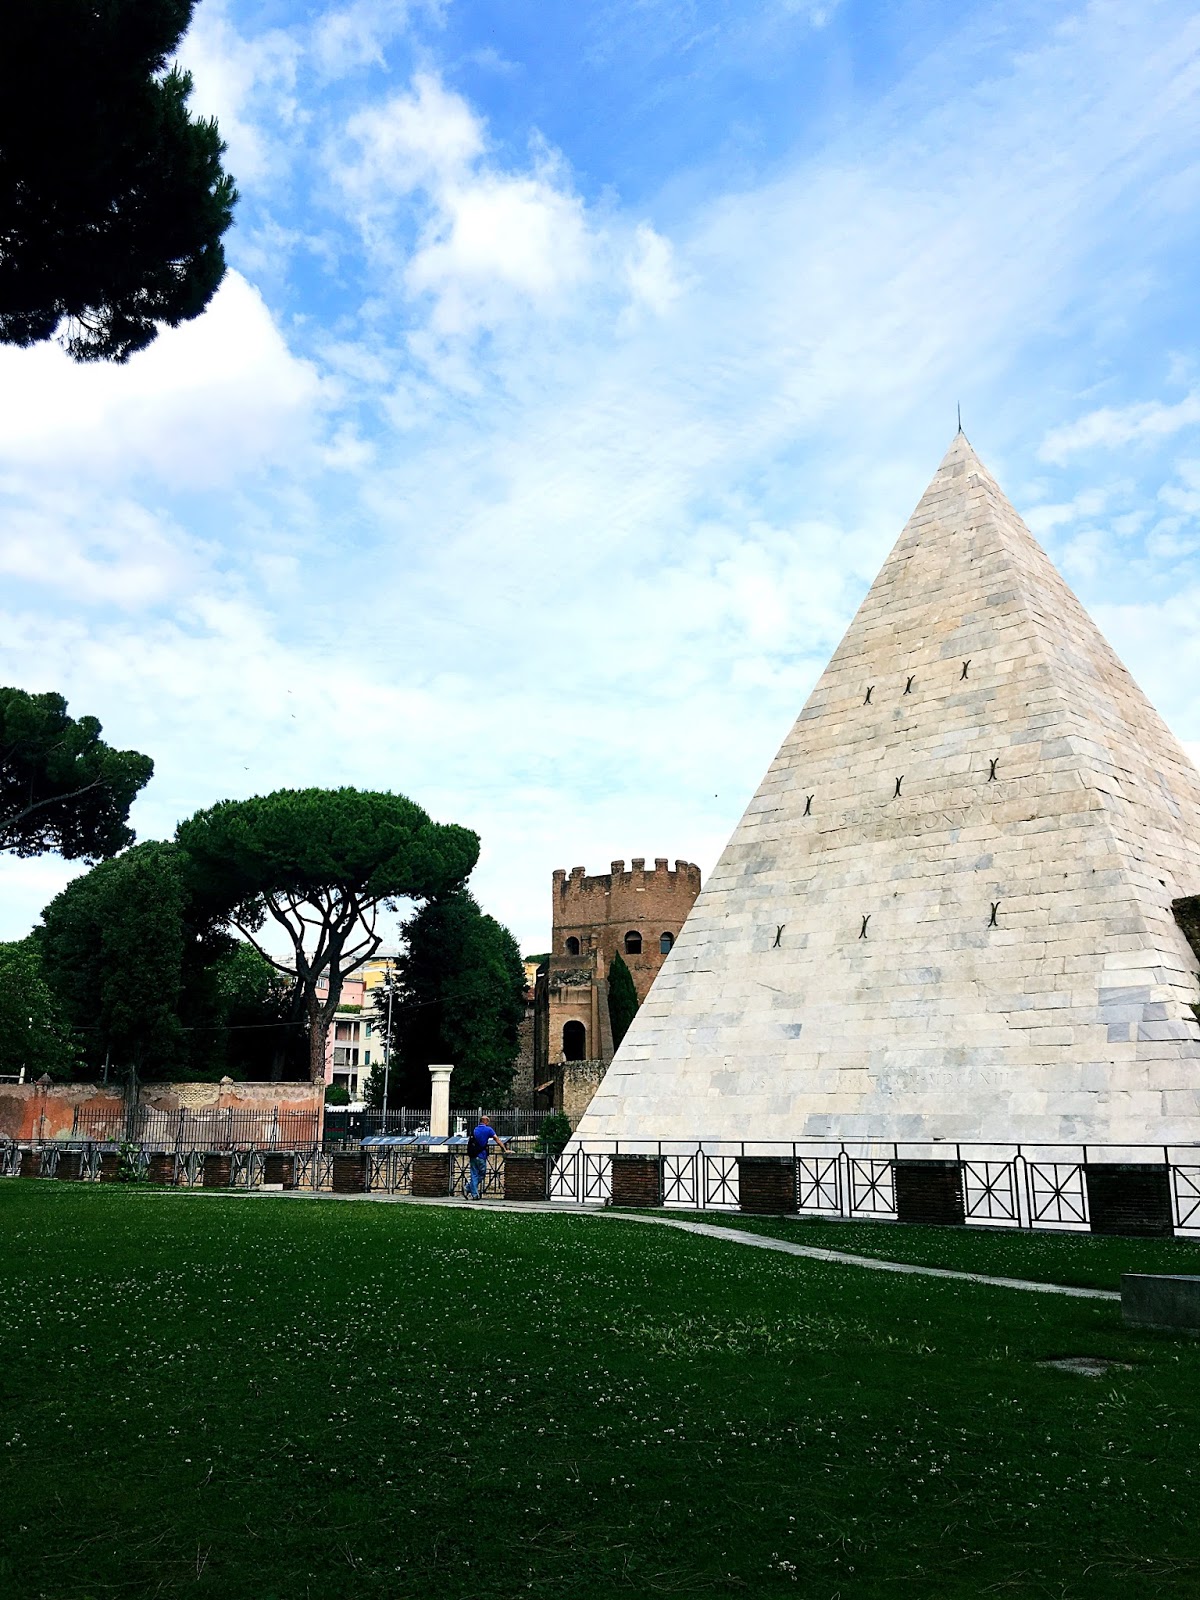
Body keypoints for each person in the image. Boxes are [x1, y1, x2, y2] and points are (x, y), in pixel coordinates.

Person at [465, 1115, 506, 1199]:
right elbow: (497, 1140)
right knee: (481, 1174)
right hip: (481, 1155)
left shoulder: (475, 1129)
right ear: (486, 1121)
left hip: (473, 1155)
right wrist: (504, 1149)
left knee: (474, 1174)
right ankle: (473, 1193)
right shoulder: (488, 1129)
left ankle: (469, 1188)